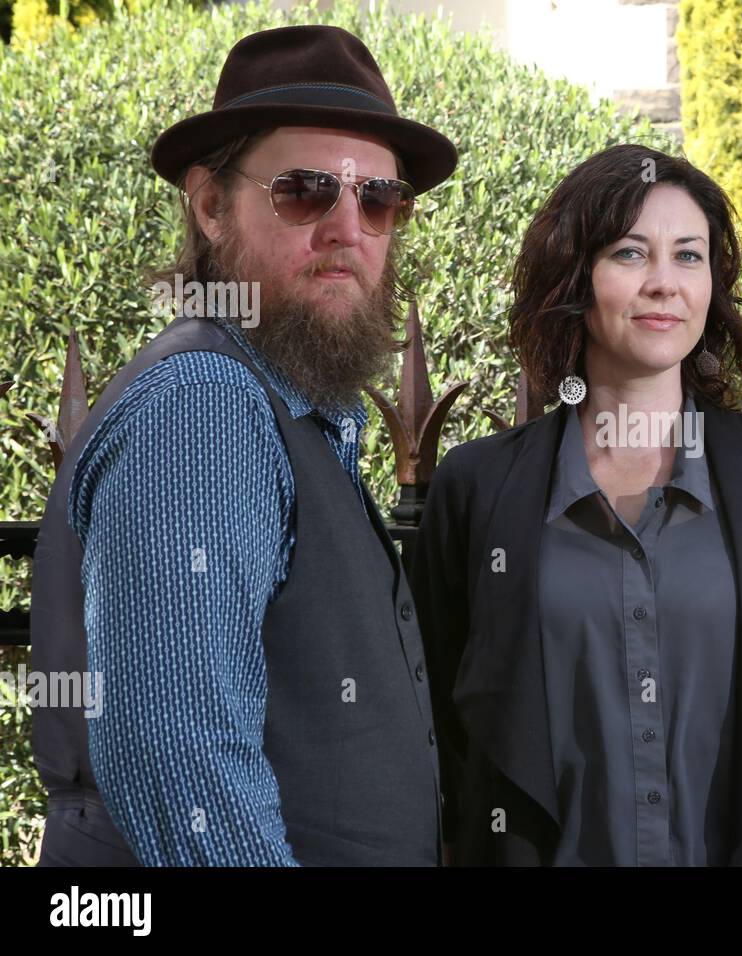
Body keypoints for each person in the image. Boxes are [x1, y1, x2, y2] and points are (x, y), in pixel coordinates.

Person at [411, 144, 742, 866]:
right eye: (630, 254)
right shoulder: (478, 489)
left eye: (688, 257)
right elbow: (437, 738)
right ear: (576, 278)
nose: (664, 284)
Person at [29, 24, 458, 866]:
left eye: (379, 198)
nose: (349, 226)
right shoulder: (204, 405)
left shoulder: (282, 403)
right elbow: (181, 764)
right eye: (304, 191)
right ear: (211, 203)